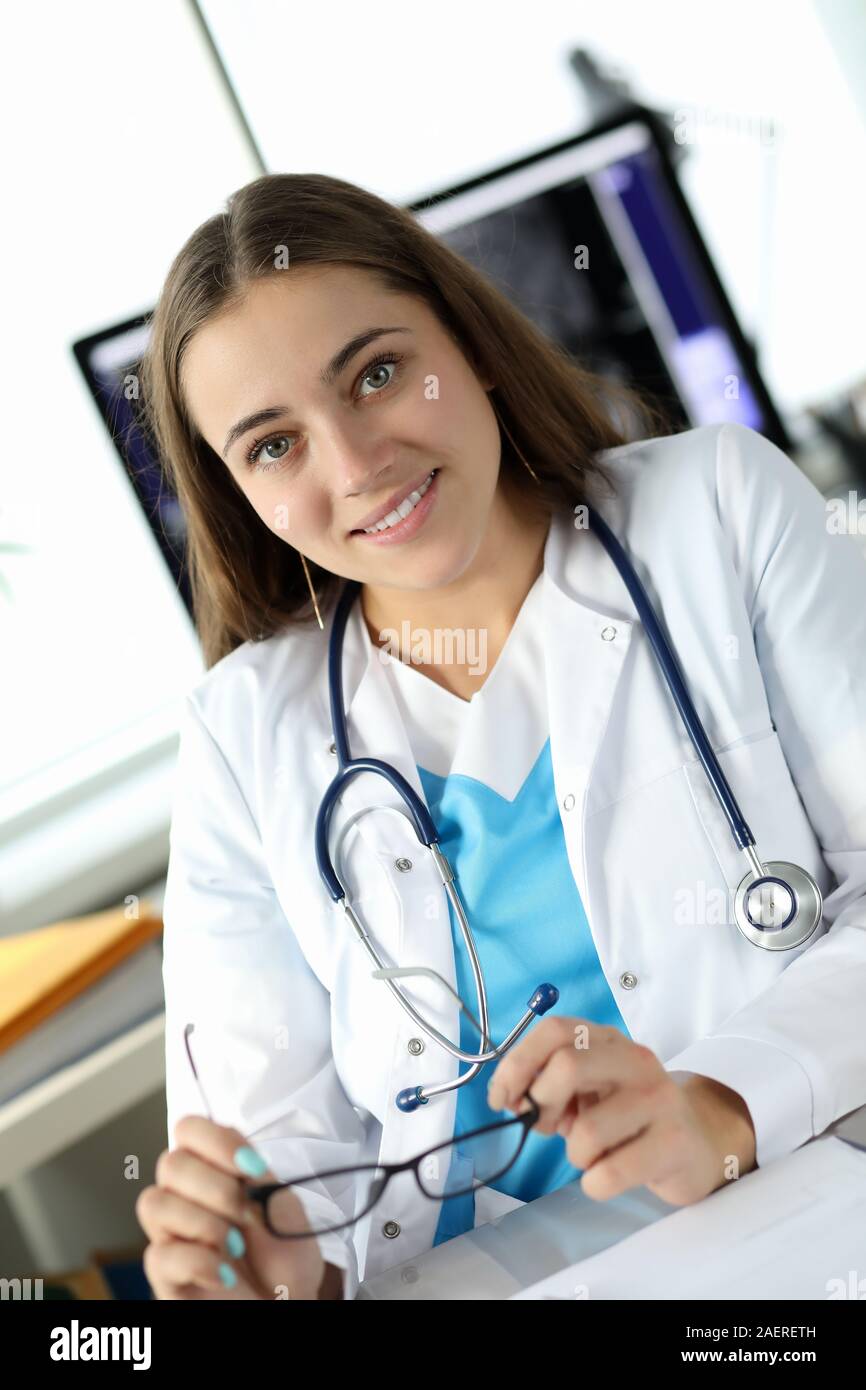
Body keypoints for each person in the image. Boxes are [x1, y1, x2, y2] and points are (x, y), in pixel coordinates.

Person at [135, 172, 866, 1301]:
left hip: (804, 1212)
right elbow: (275, 1162)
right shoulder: (243, 735)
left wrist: (714, 1106)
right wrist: (283, 1274)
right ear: (238, 493)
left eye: (377, 373)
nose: (355, 463)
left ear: (467, 339)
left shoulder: (716, 509)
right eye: (273, 445)